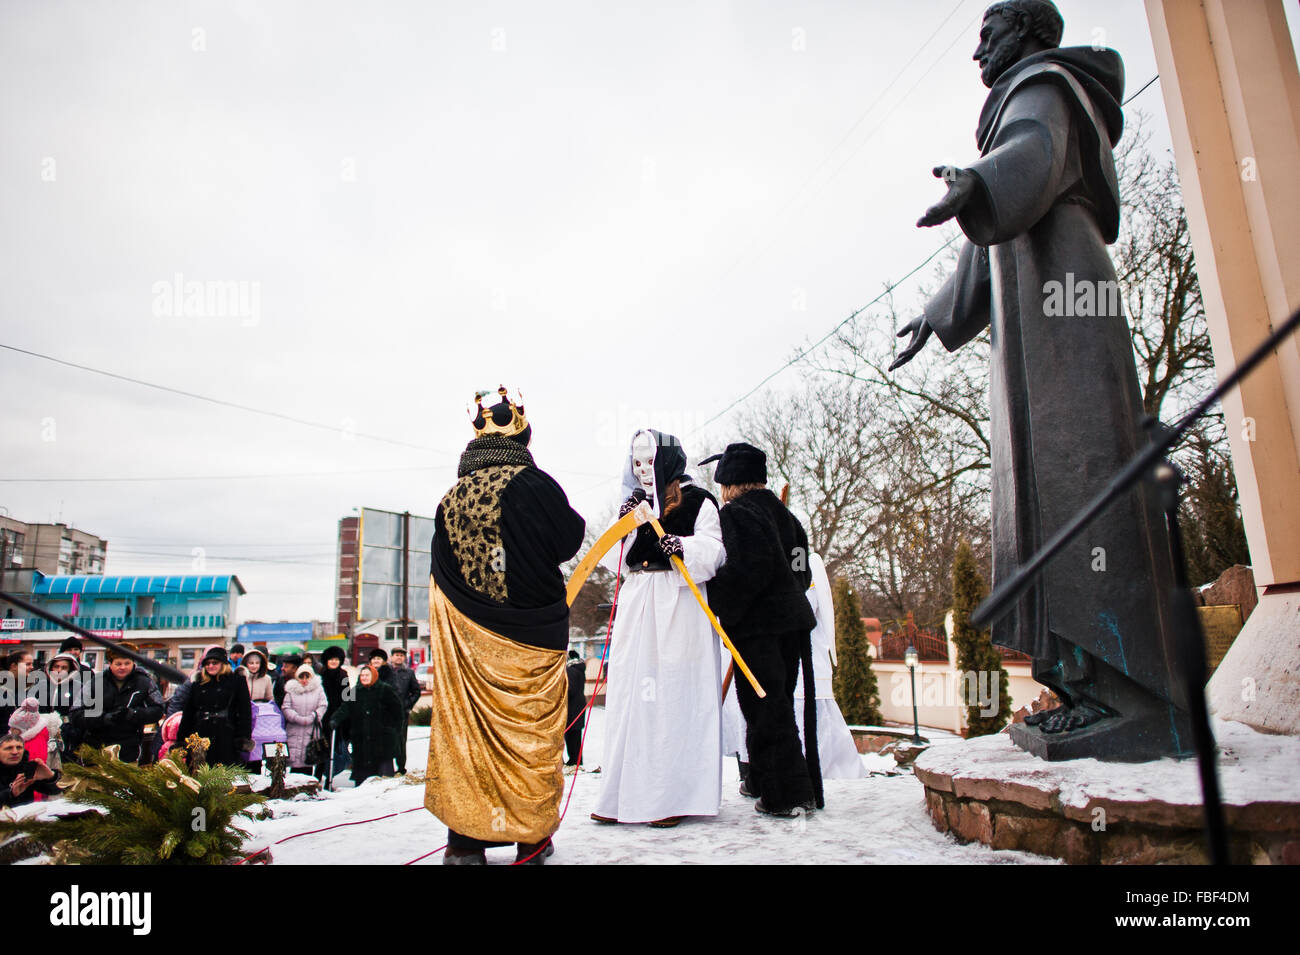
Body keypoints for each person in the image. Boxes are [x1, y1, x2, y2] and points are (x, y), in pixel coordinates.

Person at [893, 1, 1192, 760]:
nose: (977, 53)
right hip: (1035, 325)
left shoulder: (1048, 88)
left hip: (1068, 313)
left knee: (1083, 478)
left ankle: (1138, 697)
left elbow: (1024, 164)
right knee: (1041, 490)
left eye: (986, 34)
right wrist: (939, 314)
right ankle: (1086, 684)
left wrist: (977, 184)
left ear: (1027, 31)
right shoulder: (1025, 95)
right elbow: (992, 237)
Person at [423, 386, 585, 865]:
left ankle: (465, 844)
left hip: (468, 642)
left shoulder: (450, 497)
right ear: (523, 436)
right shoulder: (536, 485)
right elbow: (568, 539)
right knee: (532, 737)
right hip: (534, 638)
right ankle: (531, 840)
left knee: (467, 735)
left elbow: (441, 568)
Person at [592, 428, 726, 828]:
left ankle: (669, 797)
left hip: (679, 603)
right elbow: (613, 558)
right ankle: (620, 795)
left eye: (648, 460)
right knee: (632, 695)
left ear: (667, 459)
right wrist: (625, 526)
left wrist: (683, 547)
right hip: (638, 603)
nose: (642, 469)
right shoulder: (632, 504)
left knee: (671, 695)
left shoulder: (699, 500)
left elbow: (716, 549)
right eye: (635, 462)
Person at [702, 442, 823, 817]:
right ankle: (762, 779)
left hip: (759, 627)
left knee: (766, 708)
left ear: (730, 483)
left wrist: (719, 600)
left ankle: (785, 794)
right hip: (792, 623)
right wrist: (787, 596)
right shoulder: (788, 518)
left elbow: (748, 569)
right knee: (777, 702)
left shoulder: (736, 515)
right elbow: (801, 569)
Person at [794, 553, 867, 779]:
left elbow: (803, 607)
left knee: (819, 730)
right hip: (786, 667)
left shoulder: (804, 560)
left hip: (808, 664)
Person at [71, 643, 165, 763]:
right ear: (110, 663)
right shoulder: (95, 682)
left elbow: (158, 709)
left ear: (133, 663)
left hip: (129, 746)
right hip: (97, 746)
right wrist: (103, 718)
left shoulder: (144, 682)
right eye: (118, 664)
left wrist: (134, 714)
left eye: (127, 663)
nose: (122, 667)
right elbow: (76, 713)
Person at [177, 647, 253, 769]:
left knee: (224, 774)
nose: (210, 666)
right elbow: (188, 714)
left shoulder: (237, 681)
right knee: (198, 772)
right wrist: (181, 740)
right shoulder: (198, 684)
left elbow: (245, 712)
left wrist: (243, 737)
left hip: (226, 735)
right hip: (201, 734)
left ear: (223, 664)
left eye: (214, 663)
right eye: (207, 663)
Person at [330, 663, 402, 785]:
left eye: (367, 675)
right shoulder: (355, 691)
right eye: (362, 675)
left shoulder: (385, 689)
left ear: (373, 675)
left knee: (383, 775)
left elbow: (397, 711)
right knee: (362, 774)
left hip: (382, 739)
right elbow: (345, 707)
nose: (364, 678)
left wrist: (392, 729)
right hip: (362, 738)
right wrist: (335, 719)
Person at [281, 665, 328, 774]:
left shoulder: (319, 690)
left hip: (311, 730)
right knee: (294, 761)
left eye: (307, 677)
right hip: (294, 729)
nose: (304, 680)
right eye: (302, 677)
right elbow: (286, 707)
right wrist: (296, 718)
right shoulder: (291, 690)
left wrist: (313, 716)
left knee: (308, 760)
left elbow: (323, 705)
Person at [384, 648, 421, 774]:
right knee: (387, 739)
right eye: (396, 655)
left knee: (401, 740)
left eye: (401, 655)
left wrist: (407, 705)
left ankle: (400, 767)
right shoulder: (386, 672)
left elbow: (416, 691)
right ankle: (387, 767)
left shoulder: (409, 673)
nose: (399, 657)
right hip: (387, 712)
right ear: (391, 657)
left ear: (404, 658)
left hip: (402, 713)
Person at [0, 731, 60, 808]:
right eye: (8, 748)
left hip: (25, 817)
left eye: (19, 747)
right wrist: (10, 794)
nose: (15, 752)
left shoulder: (26, 768)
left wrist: (51, 777)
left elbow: (56, 790)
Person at [319, 645, 351, 780]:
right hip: (322, 715)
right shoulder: (321, 675)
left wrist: (342, 715)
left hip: (338, 716)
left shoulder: (343, 675)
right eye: (331, 659)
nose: (333, 662)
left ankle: (330, 777)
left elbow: (348, 697)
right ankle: (319, 775)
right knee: (321, 748)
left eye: (336, 659)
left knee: (336, 749)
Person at [565, 651, 587, 769]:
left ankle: (574, 760)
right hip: (579, 706)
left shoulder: (571, 670)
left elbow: (570, 689)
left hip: (572, 708)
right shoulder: (580, 668)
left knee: (571, 735)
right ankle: (577, 759)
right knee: (576, 735)